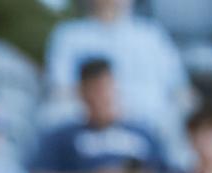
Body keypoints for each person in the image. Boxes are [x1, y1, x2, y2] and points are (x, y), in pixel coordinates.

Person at [32, 58, 167, 173]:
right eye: (96, 90)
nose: (104, 97)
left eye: (107, 88)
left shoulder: (143, 134)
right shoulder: (62, 137)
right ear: (82, 93)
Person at [43, 0, 186, 132]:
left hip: (151, 120)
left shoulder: (151, 35)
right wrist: (104, 107)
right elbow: (61, 89)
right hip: (89, 120)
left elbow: (179, 88)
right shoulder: (69, 35)